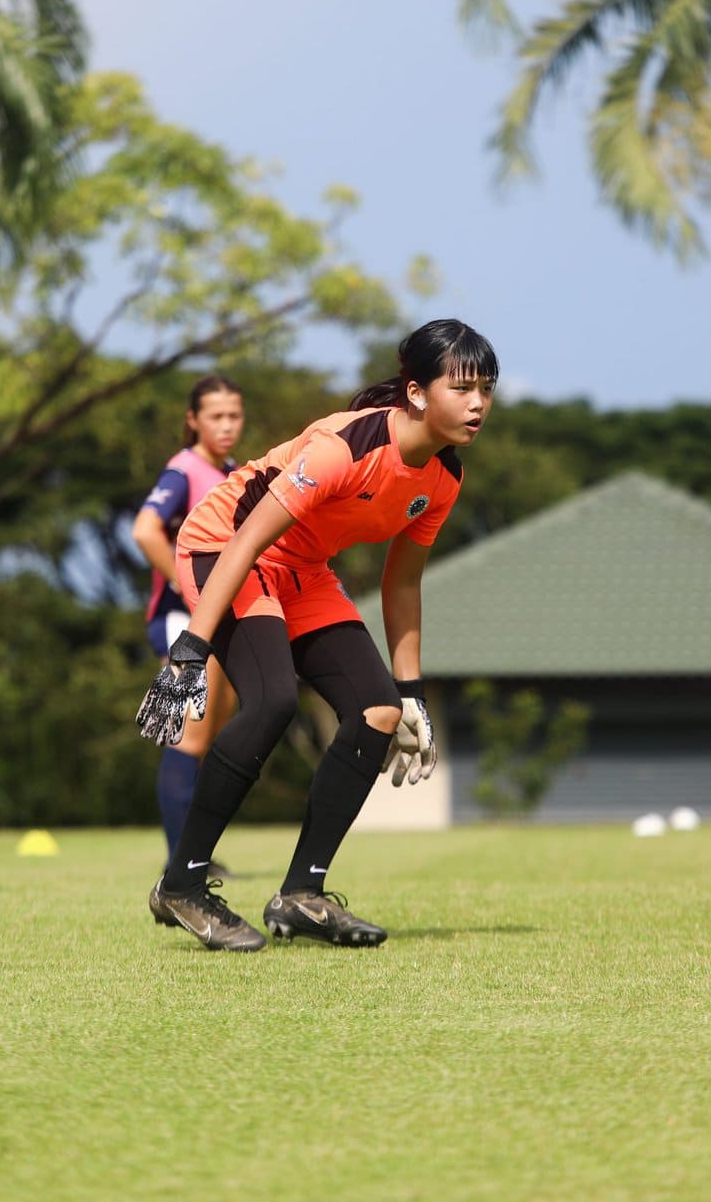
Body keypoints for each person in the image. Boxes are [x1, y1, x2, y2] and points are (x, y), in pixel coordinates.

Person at [136, 318, 496, 951]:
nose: (478, 404)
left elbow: (402, 583)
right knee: (272, 700)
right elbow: (247, 539)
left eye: (486, 389)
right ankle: (181, 884)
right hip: (224, 548)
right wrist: (192, 645)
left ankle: (302, 894)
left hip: (302, 569)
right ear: (416, 393)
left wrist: (411, 692)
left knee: (378, 711)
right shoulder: (344, 447)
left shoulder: (444, 477)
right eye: (462, 388)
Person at [129, 375, 244, 869]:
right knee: (188, 737)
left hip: (221, 620)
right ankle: (180, 862)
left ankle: (195, 856)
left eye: (234, 415)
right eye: (216, 416)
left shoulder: (233, 472)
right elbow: (145, 530)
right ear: (193, 420)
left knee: (210, 738)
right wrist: (185, 582)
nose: (226, 425)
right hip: (183, 620)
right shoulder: (183, 470)